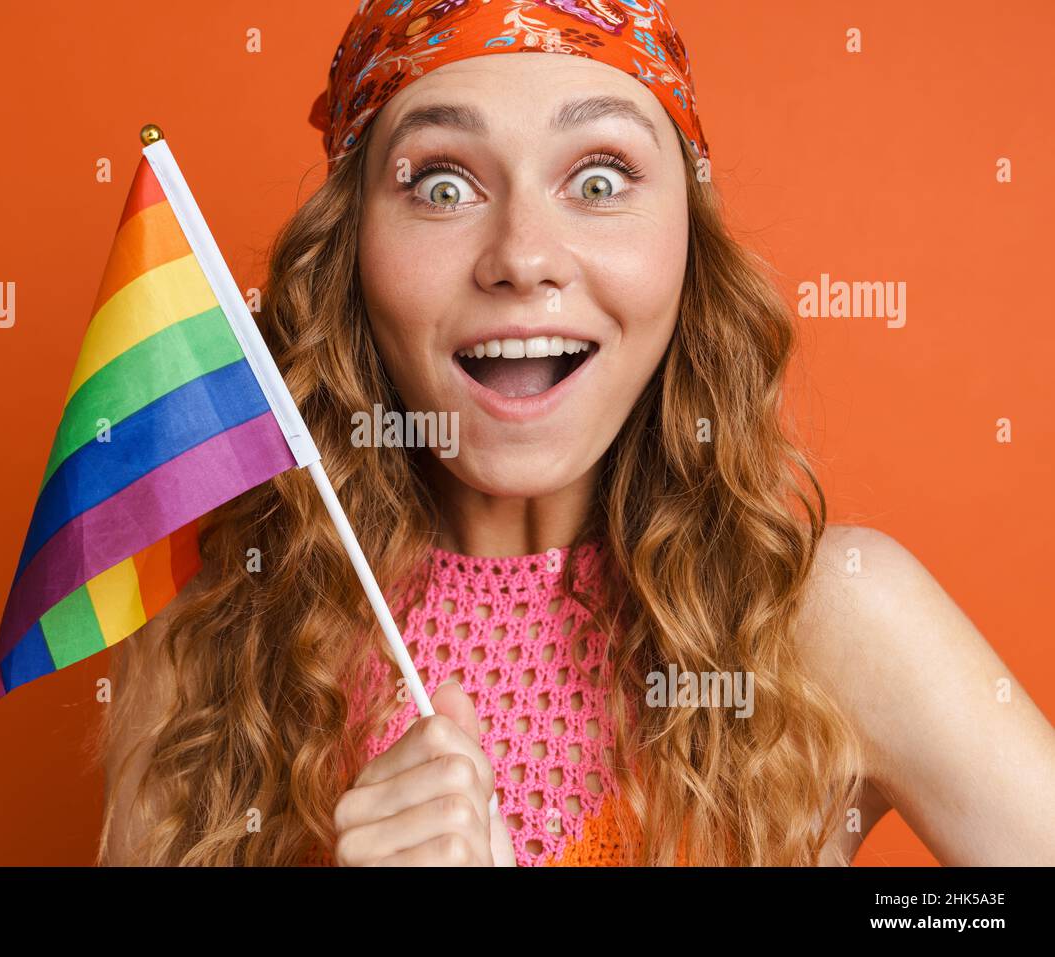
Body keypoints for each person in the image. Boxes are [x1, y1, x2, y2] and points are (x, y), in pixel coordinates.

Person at [97, 0, 1055, 866]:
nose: (521, 255)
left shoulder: (831, 622)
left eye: (599, 180)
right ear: (348, 254)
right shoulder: (217, 642)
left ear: (690, 242)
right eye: (440, 186)